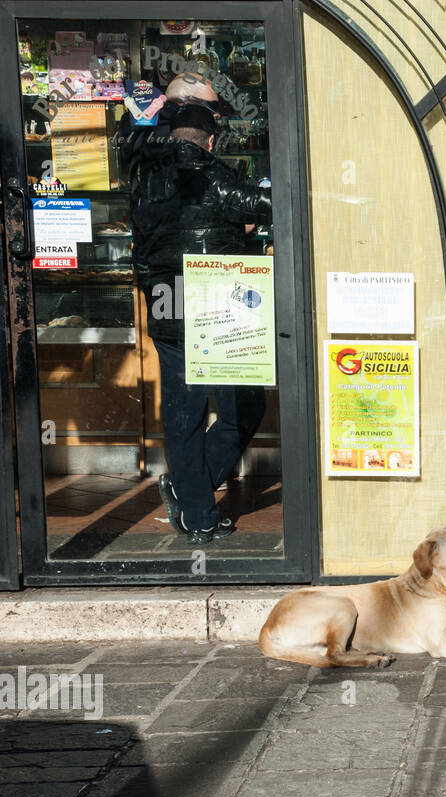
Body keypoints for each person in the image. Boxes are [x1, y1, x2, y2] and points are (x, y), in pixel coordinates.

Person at [127, 99, 272, 544]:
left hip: (168, 302)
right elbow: (269, 206)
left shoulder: (144, 180)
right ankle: (194, 500)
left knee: (183, 412)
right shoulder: (215, 175)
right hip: (215, 300)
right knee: (243, 408)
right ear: (210, 141)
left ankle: (196, 509)